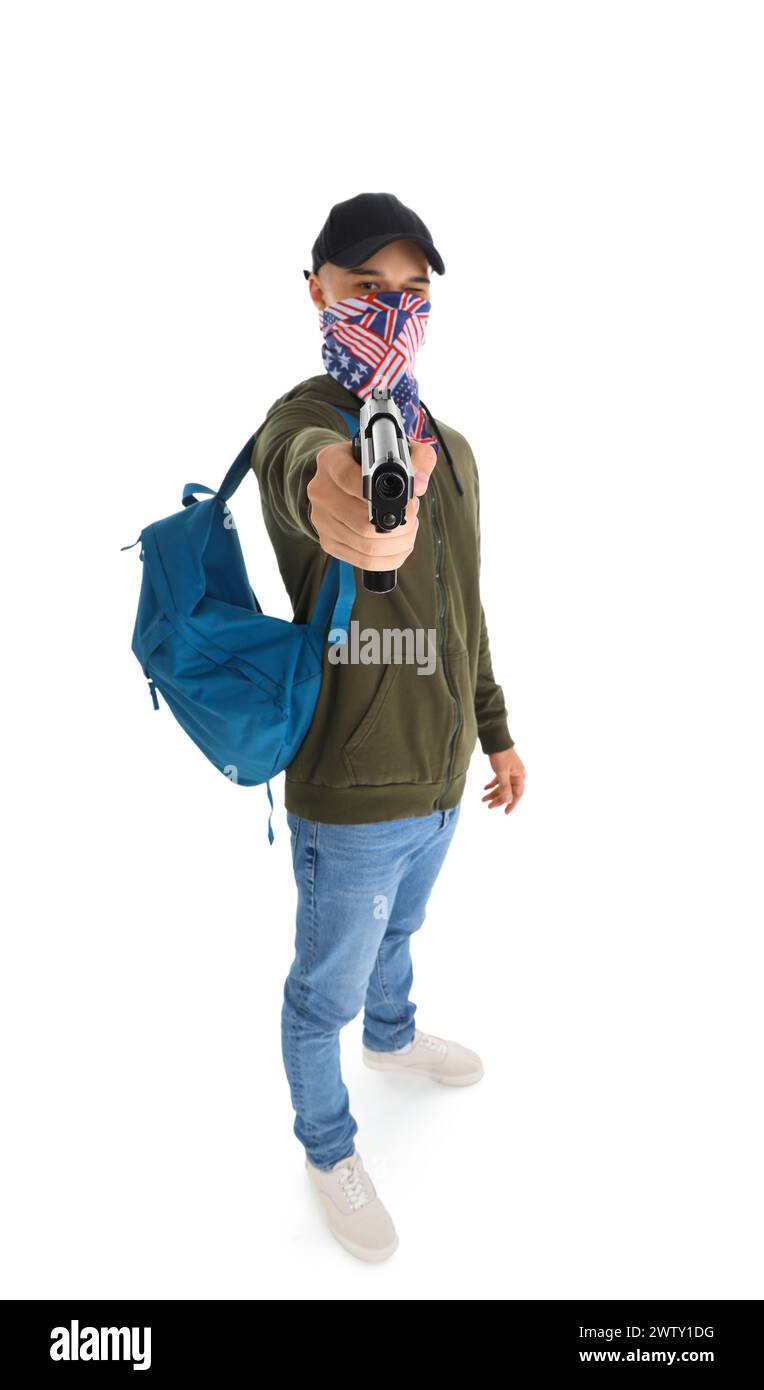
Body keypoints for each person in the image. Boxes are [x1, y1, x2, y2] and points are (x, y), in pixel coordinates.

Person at [250, 192, 526, 1262]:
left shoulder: (448, 446)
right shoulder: (306, 423)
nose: (391, 310)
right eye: (367, 288)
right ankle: (327, 1146)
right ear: (314, 289)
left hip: (442, 781)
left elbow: (467, 607)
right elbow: (306, 478)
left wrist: (492, 730)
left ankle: (396, 1036)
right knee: (321, 991)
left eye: (412, 293)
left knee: (396, 939)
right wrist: (356, 509)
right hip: (354, 794)